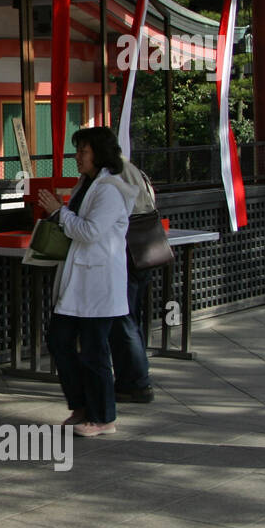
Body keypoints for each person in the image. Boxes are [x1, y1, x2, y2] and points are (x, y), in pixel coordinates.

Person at [37, 127, 139, 437]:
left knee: (95, 350)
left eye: (83, 151)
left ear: (99, 153)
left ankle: (103, 416)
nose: (77, 157)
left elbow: (89, 231)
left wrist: (58, 213)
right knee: (59, 339)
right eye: (78, 150)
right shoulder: (87, 183)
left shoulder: (110, 188)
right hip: (79, 279)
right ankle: (80, 406)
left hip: (99, 281)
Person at [111, 159, 157, 403]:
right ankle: (133, 379)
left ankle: (138, 382)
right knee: (131, 319)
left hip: (127, 252)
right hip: (143, 249)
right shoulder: (135, 170)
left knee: (125, 320)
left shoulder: (113, 174)